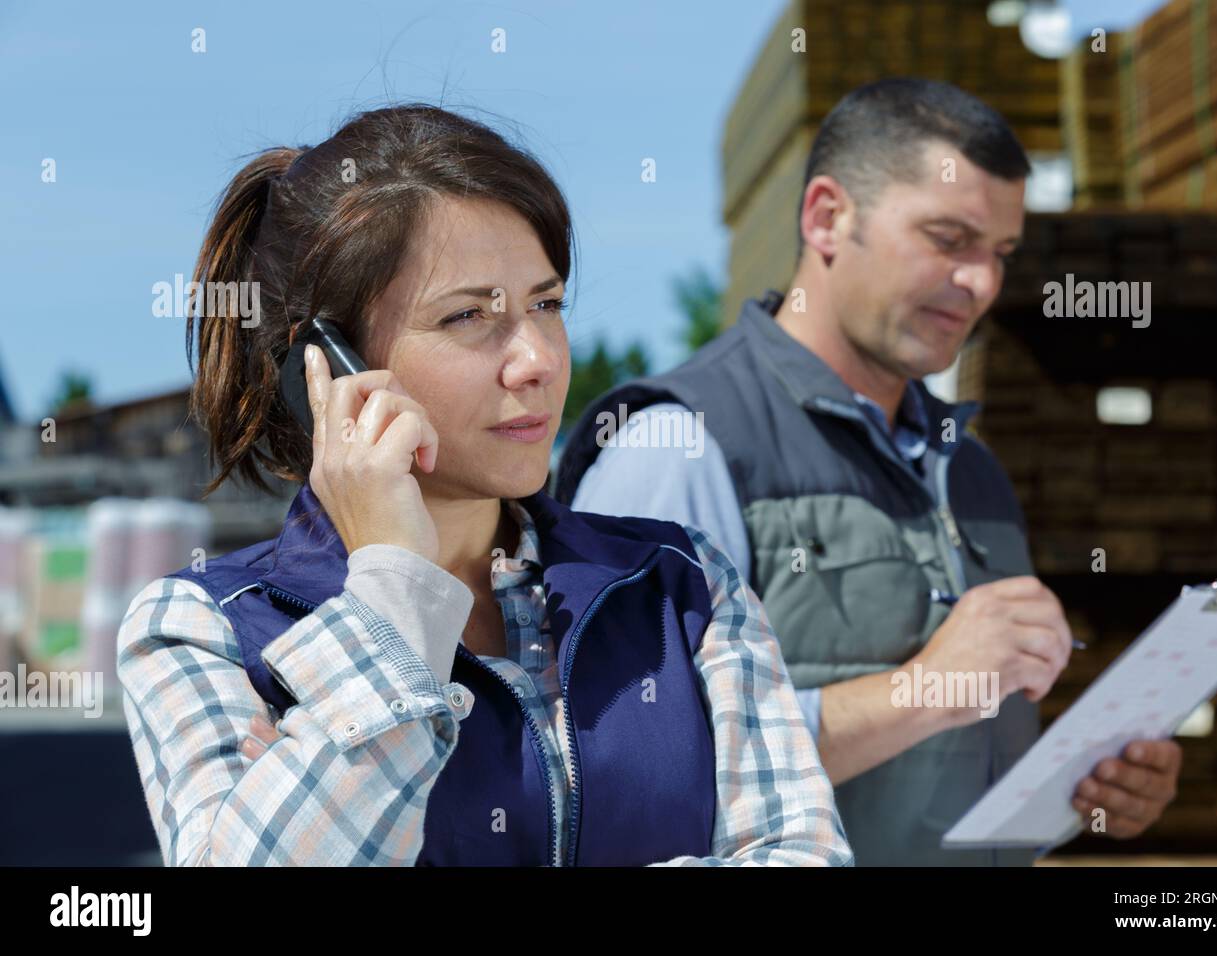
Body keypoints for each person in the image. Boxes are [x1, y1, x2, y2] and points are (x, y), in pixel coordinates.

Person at [117, 104, 852, 867]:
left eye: (546, 303)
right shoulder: (207, 626)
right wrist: (391, 596)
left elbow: (802, 853)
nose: (536, 358)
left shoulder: (680, 584)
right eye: (469, 316)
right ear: (326, 368)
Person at [555, 78, 1181, 865]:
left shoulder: (973, 469)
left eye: (1001, 254)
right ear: (827, 217)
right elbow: (625, 781)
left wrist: (1087, 789)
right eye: (950, 239)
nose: (983, 283)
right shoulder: (676, 447)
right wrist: (928, 688)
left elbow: (951, 754)